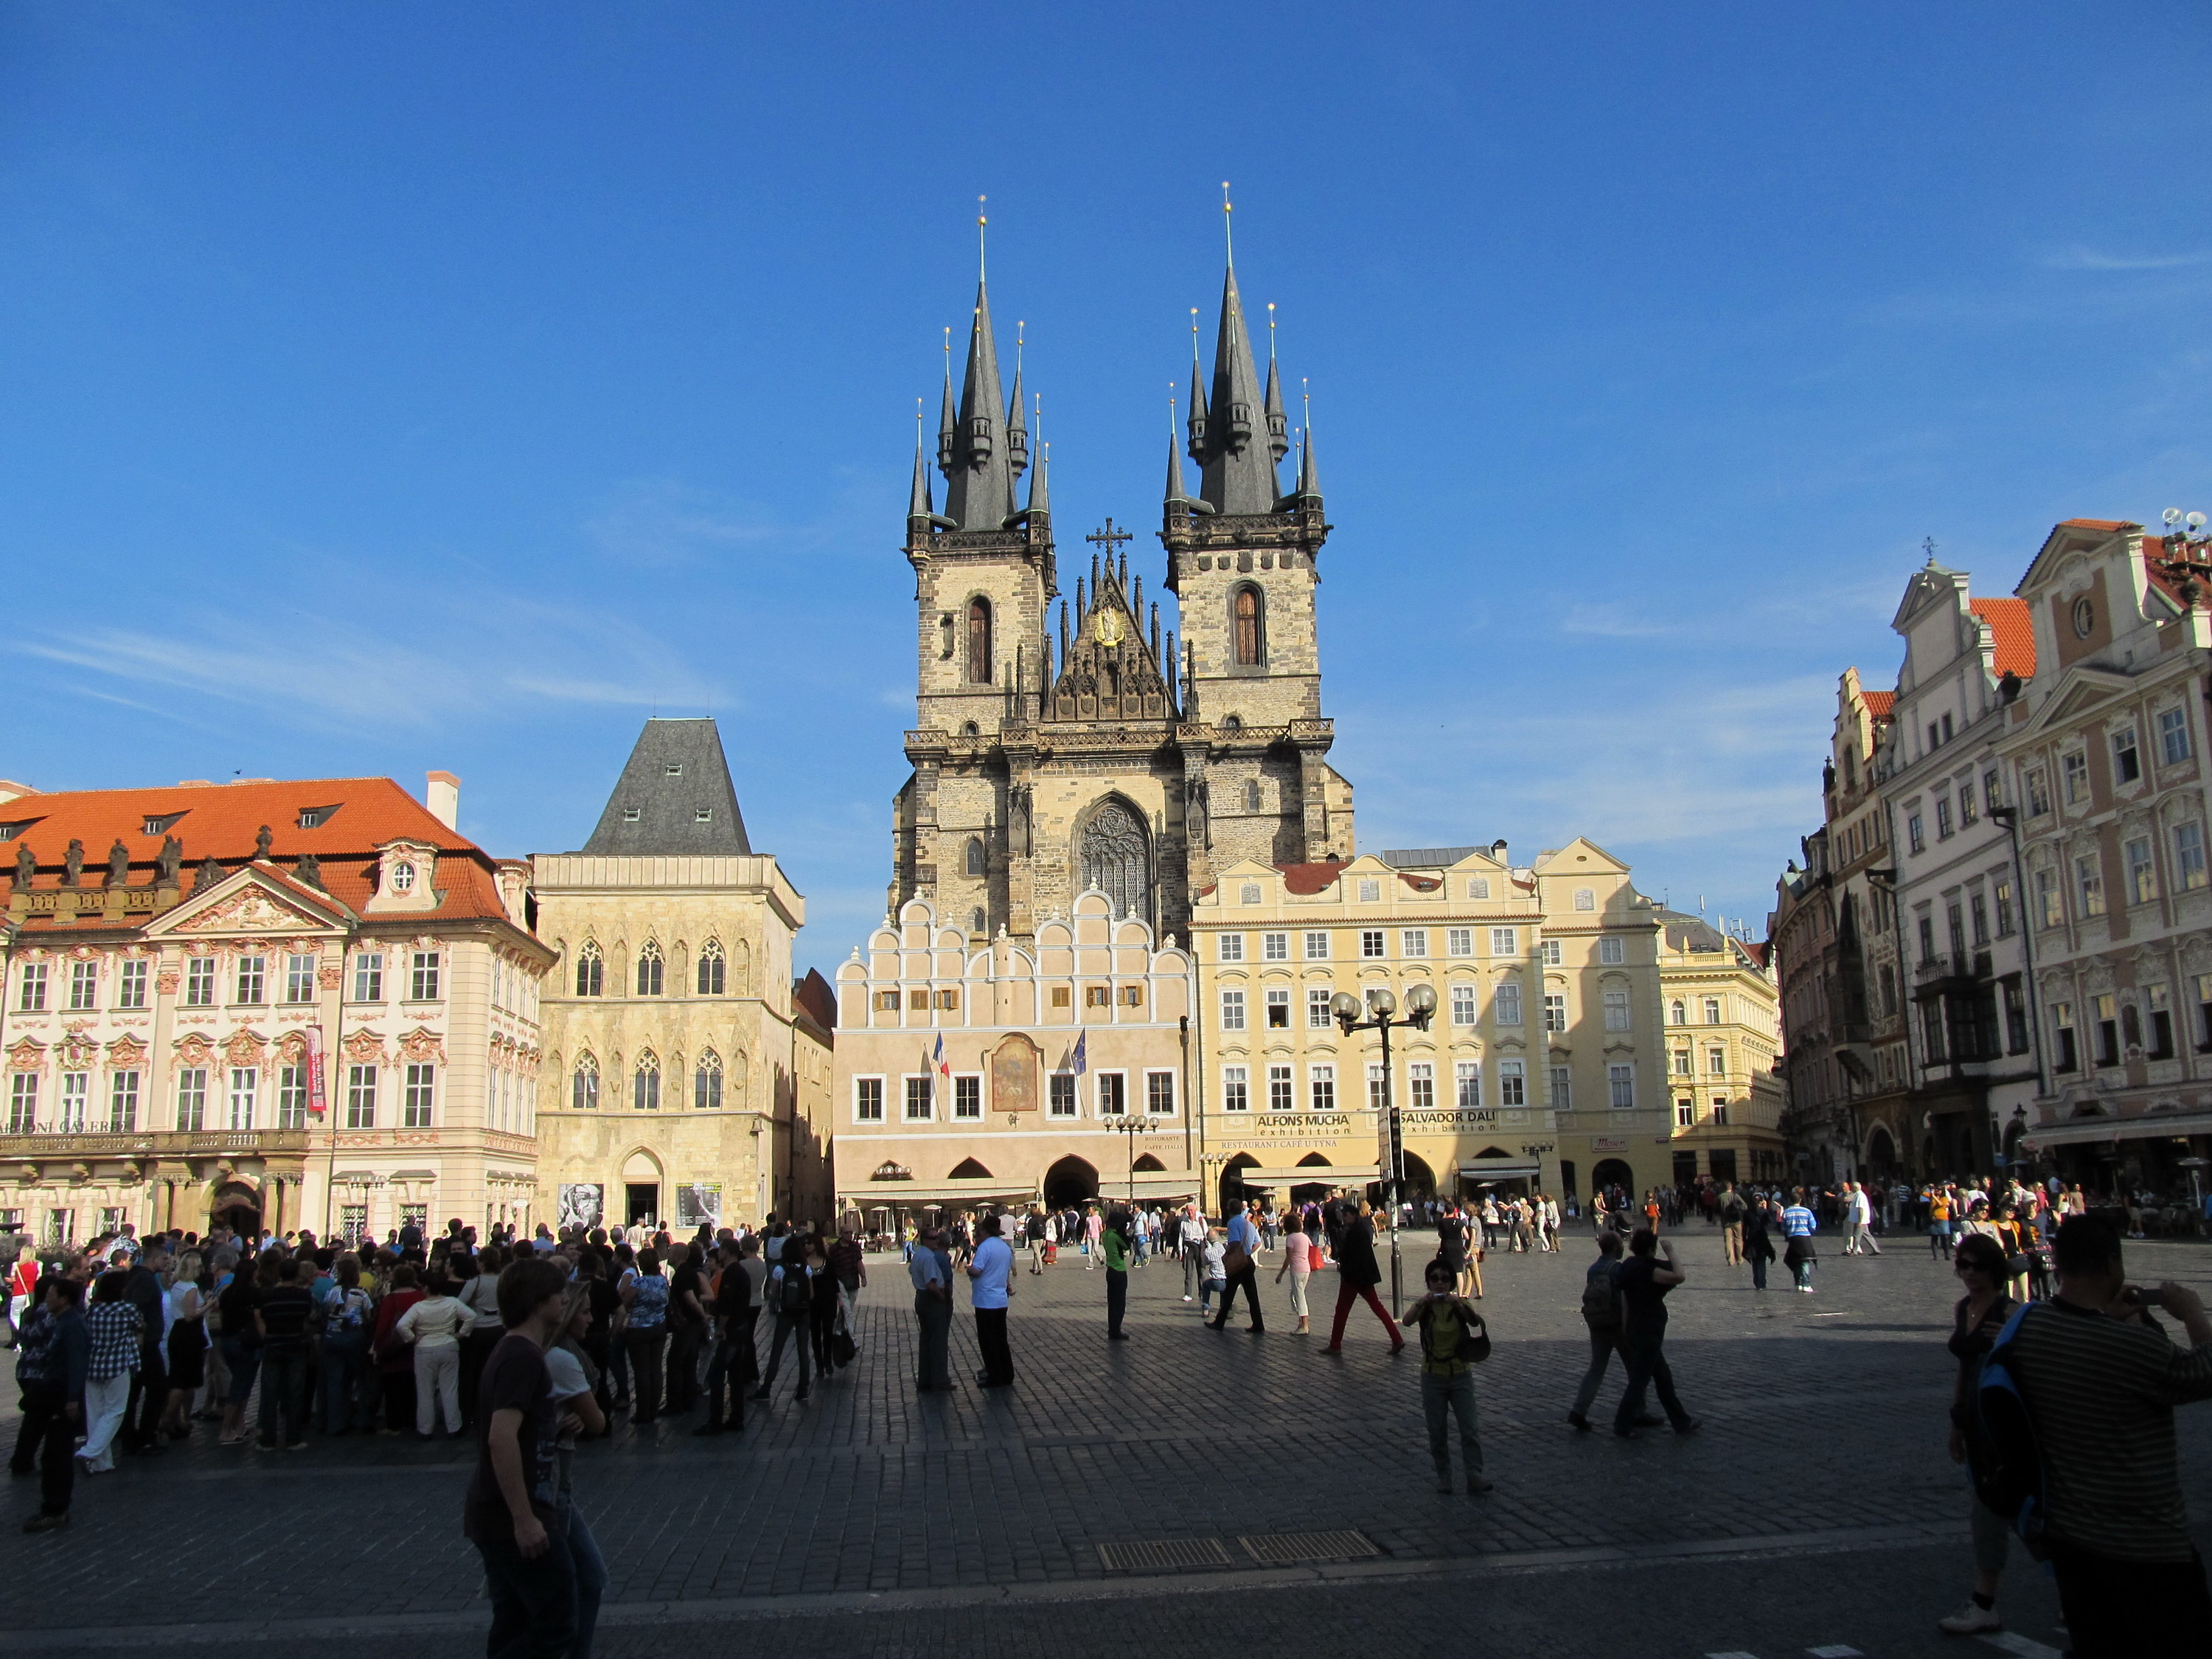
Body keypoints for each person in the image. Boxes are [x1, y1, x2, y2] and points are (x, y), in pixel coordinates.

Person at [1998, 1214, 2212, 1651]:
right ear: (2113, 1263)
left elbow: (2086, 1351)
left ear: (2058, 1263)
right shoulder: (2137, 1347)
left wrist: (2108, 1321)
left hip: (2071, 1541)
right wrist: (2194, 1314)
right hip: (2149, 1546)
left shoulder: (2029, 1327)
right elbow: (2204, 1373)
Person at [465, 1256, 577, 1659]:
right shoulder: (522, 1357)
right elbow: (501, 1438)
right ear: (537, 1301)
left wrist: (555, 1427)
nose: (565, 1300)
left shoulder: (513, 1350)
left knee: (513, 1621)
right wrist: (524, 1518)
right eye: (558, 1294)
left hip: (496, 1513)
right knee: (556, 1621)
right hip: (514, 1513)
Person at [1934, 1232, 2017, 1635]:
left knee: (2025, 1512)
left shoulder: (2011, 1312)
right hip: (1974, 1421)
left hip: (2005, 1425)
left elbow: (2031, 1367)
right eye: (1963, 1265)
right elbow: (1963, 1369)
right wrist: (1956, 1421)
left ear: (1994, 1269)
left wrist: (2009, 1340)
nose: (1969, 1273)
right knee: (1989, 1509)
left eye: (1977, 1266)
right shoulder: (1963, 1308)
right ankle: (1985, 1602)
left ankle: (1987, 1602)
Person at [544, 1285, 609, 1659]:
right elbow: (598, 1421)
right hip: (553, 1487)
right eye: (584, 1312)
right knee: (581, 1581)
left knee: (586, 1579)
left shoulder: (556, 1355)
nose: (591, 1318)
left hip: (557, 1484)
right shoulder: (561, 1359)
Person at [1399, 1258, 1492, 1494]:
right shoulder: (1426, 1307)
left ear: (1451, 1282)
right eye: (1434, 1279)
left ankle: (1474, 1475)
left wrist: (1459, 1304)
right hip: (1432, 1376)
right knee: (1437, 1430)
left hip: (1460, 1373)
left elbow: (1475, 1323)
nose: (1440, 1283)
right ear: (1428, 1282)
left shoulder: (1458, 1304)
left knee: (1469, 1428)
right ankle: (1444, 1476)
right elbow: (1407, 1322)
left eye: (1445, 1279)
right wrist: (1421, 1302)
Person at [12, 1274, 88, 1533]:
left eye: (51, 1295)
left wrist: (72, 1398)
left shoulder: (71, 1324)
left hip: (61, 1396)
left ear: (63, 1299)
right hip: (54, 1392)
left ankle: (55, 1509)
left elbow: (76, 1363)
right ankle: (53, 1507)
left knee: (57, 1455)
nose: (46, 1299)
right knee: (53, 1453)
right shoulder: (62, 1321)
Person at [1610, 1228, 1700, 1437]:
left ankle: (1681, 1421)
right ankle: (1622, 1425)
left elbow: (1625, 1299)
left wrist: (1625, 1326)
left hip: (1635, 1328)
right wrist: (1671, 1252)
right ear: (1651, 1248)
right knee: (1639, 1382)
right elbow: (1679, 1275)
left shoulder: (1629, 1265)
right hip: (1648, 1330)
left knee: (1663, 1377)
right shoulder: (1648, 1269)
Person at [397, 1271, 478, 1439]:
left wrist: (412, 1338)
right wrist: (461, 1334)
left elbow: (402, 1325)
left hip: (425, 1348)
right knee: (450, 1389)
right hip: (449, 1345)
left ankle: (426, 1429)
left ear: (426, 1288)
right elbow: (471, 1316)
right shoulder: (452, 1302)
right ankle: (454, 1427)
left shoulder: (418, 1307)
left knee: (425, 1390)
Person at [77, 1269, 142, 1475]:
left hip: (93, 1365)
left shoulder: (93, 1310)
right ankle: (89, 1452)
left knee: (95, 1414)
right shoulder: (128, 1309)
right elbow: (141, 1326)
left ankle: (101, 1462)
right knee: (115, 1411)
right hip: (118, 1364)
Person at [1322, 1199, 1405, 1355]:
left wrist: (1344, 1269)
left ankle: (1335, 1345)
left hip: (1353, 1277)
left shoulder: (1354, 1232)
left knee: (1342, 1310)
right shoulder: (1359, 1229)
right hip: (1364, 1276)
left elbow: (1349, 1255)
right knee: (1377, 1307)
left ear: (1353, 1215)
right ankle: (1397, 1338)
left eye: (1346, 1215)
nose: (1344, 1218)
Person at [255, 1255, 318, 1450]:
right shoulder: (304, 1296)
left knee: (269, 1393)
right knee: (295, 1393)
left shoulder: (267, 1295)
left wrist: (267, 1337)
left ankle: (268, 1439)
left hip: (273, 1345)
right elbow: (308, 1317)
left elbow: (260, 1317)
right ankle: (293, 1438)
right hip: (296, 1346)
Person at [1567, 1231, 1627, 1432]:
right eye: (1621, 1244)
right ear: (1615, 1248)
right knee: (1634, 1367)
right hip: (1616, 1323)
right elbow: (1622, 1299)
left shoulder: (1593, 1269)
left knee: (1596, 1369)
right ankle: (1636, 1410)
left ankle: (1579, 1410)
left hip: (1596, 1322)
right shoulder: (1617, 1269)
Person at [696, 1239, 752, 1435]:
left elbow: (727, 1305)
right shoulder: (741, 1271)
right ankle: (737, 1417)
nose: (718, 1252)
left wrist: (720, 1327)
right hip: (741, 1325)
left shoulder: (731, 1273)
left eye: (721, 1249)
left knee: (717, 1373)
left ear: (727, 1252)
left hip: (732, 1329)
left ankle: (715, 1420)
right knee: (735, 1374)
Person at [752, 1237, 815, 1402]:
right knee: (803, 1351)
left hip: (785, 1312)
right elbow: (811, 1294)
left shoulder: (780, 1270)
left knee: (777, 1350)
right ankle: (803, 1389)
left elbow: (773, 1293)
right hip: (803, 1312)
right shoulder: (806, 1269)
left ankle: (766, 1388)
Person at [619, 1248, 669, 1422]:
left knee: (642, 1371)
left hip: (639, 1328)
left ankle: (643, 1411)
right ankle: (654, 1408)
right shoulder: (662, 1280)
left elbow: (626, 1303)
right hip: (659, 1326)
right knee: (656, 1369)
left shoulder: (639, 1283)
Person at [967, 1211, 1016, 1387]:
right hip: (1001, 1299)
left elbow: (977, 1270)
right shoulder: (1005, 1247)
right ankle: (1007, 1374)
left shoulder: (985, 1247)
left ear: (985, 1231)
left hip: (985, 1300)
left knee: (988, 1340)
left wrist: (968, 1268)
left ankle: (994, 1376)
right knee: (1001, 1339)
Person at [1209, 1202, 1265, 1333]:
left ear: (1230, 1210)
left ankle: (1219, 1323)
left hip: (1238, 1264)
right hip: (1248, 1261)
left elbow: (1234, 1242)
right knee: (1252, 1296)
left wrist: (1227, 1254)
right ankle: (1258, 1324)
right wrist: (1248, 1253)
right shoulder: (1249, 1224)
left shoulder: (1233, 1223)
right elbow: (1258, 1243)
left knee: (1228, 1294)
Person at [1275, 1213, 1315, 1334]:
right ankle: (1301, 1322)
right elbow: (1311, 1249)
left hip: (1297, 1269)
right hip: (1306, 1268)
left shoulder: (1291, 1238)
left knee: (1299, 1296)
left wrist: (1281, 1273)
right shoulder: (1305, 1237)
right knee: (1295, 1295)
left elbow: (1288, 1257)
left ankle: (1304, 1325)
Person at [1102, 1209, 1133, 1339]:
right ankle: (1116, 1330)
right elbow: (1126, 1246)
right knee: (1120, 1303)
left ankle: (1112, 1329)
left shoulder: (1105, 1235)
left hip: (1110, 1270)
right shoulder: (1116, 1236)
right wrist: (1125, 1233)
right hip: (1119, 1270)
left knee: (1112, 1302)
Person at [1781, 1189, 1818, 1293]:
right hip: (1804, 1238)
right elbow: (1813, 1226)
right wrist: (1807, 1230)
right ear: (1800, 1200)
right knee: (1805, 1261)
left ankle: (1798, 1283)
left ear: (1790, 1201)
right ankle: (1806, 1284)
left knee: (1796, 1261)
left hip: (1793, 1239)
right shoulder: (1807, 1212)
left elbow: (1783, 1228)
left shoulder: (1786, 1212)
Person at [1718, 1183, 1746, 1267]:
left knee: (1728, 1241)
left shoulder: (1720, 1197)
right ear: (1731, 1188)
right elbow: (1745, 1206)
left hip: (1726, 1222)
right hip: (1737, 1221)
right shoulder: (1736, 1196)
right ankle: (1739, 1259)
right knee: (1738, 1239)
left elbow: (1716, 1209)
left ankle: (1730, 1260)